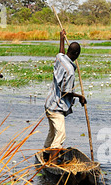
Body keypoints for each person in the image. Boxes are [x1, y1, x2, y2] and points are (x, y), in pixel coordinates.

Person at [43, 29, 86, 164]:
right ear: (76, 54)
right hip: (56, 107)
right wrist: (79, 96)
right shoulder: (70, 71)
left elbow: (61, 52)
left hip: (49, 103)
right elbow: (65, 91)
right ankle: (53, 161)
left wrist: (61, 38)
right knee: (61, 134)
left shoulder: (61, 58)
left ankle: (45, 152)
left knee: (52, 132)